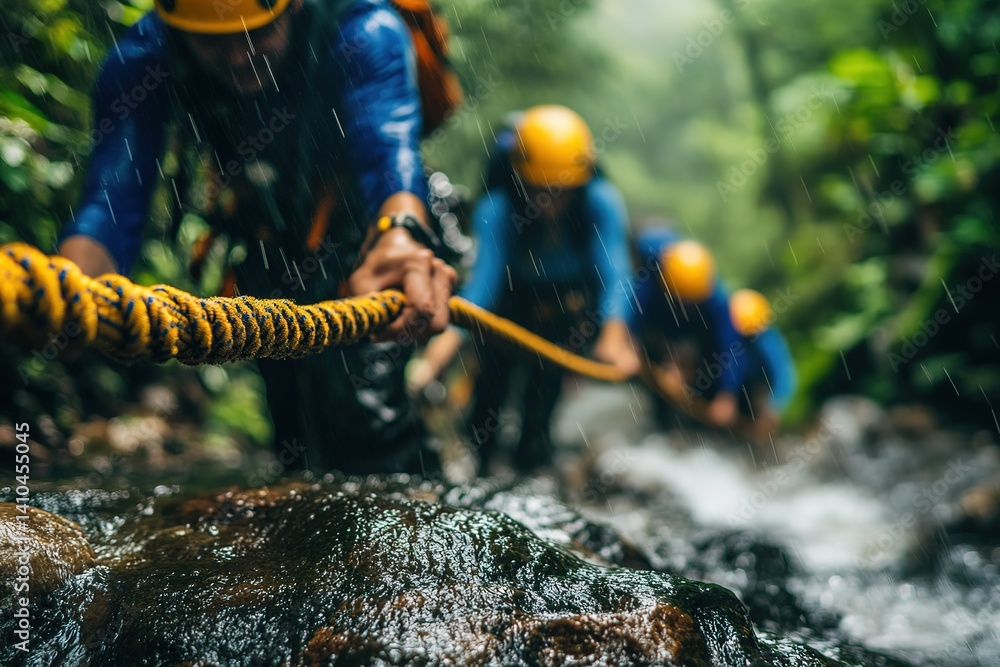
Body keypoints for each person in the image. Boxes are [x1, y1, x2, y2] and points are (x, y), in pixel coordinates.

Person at [58, 0, 457, 475]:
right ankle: (304, 526)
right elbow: (112, 200)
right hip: (272, 238)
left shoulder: (364, 30)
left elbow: (389, 151)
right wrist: (66, 292)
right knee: (289, 409)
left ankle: (417, 519)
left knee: (364, 407)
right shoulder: (144, 57)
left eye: (254, 34)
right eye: (211, 39)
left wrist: (401, 236)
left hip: (369, 232)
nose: (234, 56)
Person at [415, 105, 638, 473]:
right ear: (520, 178)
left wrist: (614, 336)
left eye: (562, 192)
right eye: (539, 191)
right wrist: (436, 358)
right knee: (488, 403)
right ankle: (484, 478)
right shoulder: (499, 209)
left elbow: (615, 274)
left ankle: (532, 478)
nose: (549, 203)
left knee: (541, 407)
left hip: (562, 313)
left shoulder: (601, 204)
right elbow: (480, 292)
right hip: (508, 312)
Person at [628, 226, 745, 428]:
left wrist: (727, 395)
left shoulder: (718, 302)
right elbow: (633, 323)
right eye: (680, 300)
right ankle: (660, 422)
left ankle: (691, 428)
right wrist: (631, 348)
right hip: (659, 330)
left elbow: (729, 348)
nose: (686, 307)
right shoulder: (648, 283)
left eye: (690, 302)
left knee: (705, 375)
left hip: (696, 341)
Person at [727, 288, 797, 437]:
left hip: (757, 395)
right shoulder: (732, 337)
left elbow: (784, 378)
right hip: (737, 391)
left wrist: (773, 407)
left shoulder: (770, 343)